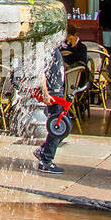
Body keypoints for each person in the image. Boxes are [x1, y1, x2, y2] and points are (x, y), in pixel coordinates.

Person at [33, 46, 71, 175]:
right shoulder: (45, 48)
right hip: (52, 93)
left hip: (57, 92)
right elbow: (40, 71)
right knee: (59, 127)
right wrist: (45, 93)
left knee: (65, 127)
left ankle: (43, 150)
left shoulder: (53, 47)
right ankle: (45, 160)